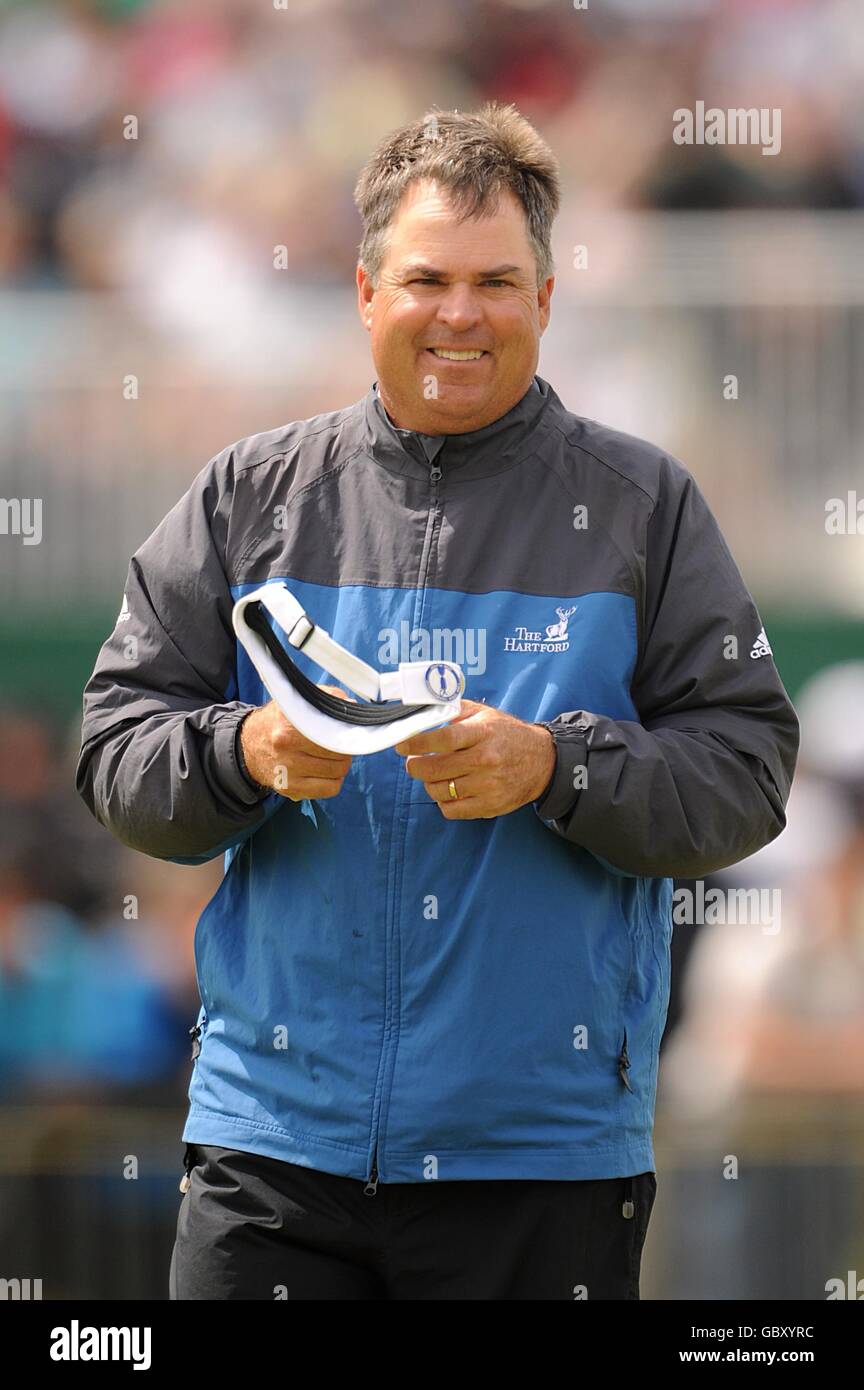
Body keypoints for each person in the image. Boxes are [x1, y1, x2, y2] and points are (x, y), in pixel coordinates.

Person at [75, 102, 799, 1301]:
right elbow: (115, 748)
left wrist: (558, 770)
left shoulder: (643, 506)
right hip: (273, 1153)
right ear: (366, 292)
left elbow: (748, 772)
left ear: (547, 301)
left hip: (539, 1161)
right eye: (427, 279)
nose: (459, 313)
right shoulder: (246, 496)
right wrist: (241, 749)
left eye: (496, 282)